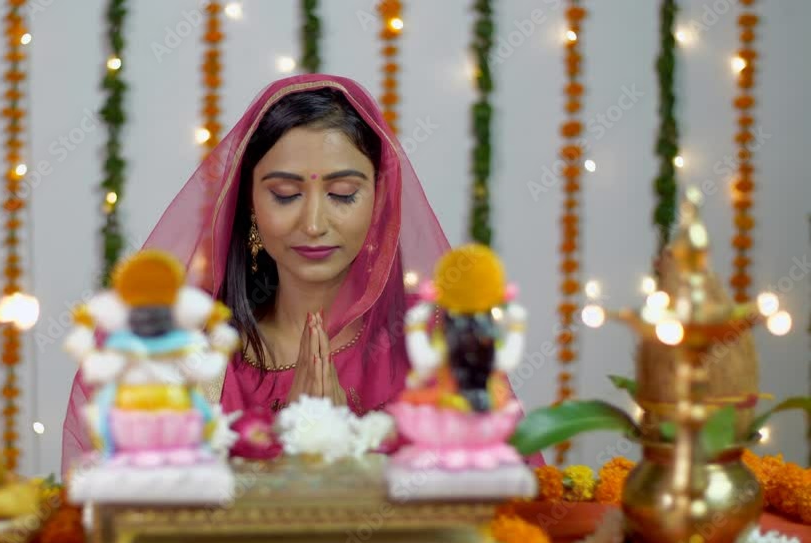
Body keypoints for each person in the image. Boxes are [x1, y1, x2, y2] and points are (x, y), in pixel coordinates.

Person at [62, 74, 537, 474]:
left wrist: (345, 446)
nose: (313, 223)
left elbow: (498, 513)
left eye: (344, 193)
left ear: (379, 202)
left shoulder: (434, 345)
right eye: (286, 194)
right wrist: (290, 451)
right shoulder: (186, 356)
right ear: (248, 202)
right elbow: (132, 523)